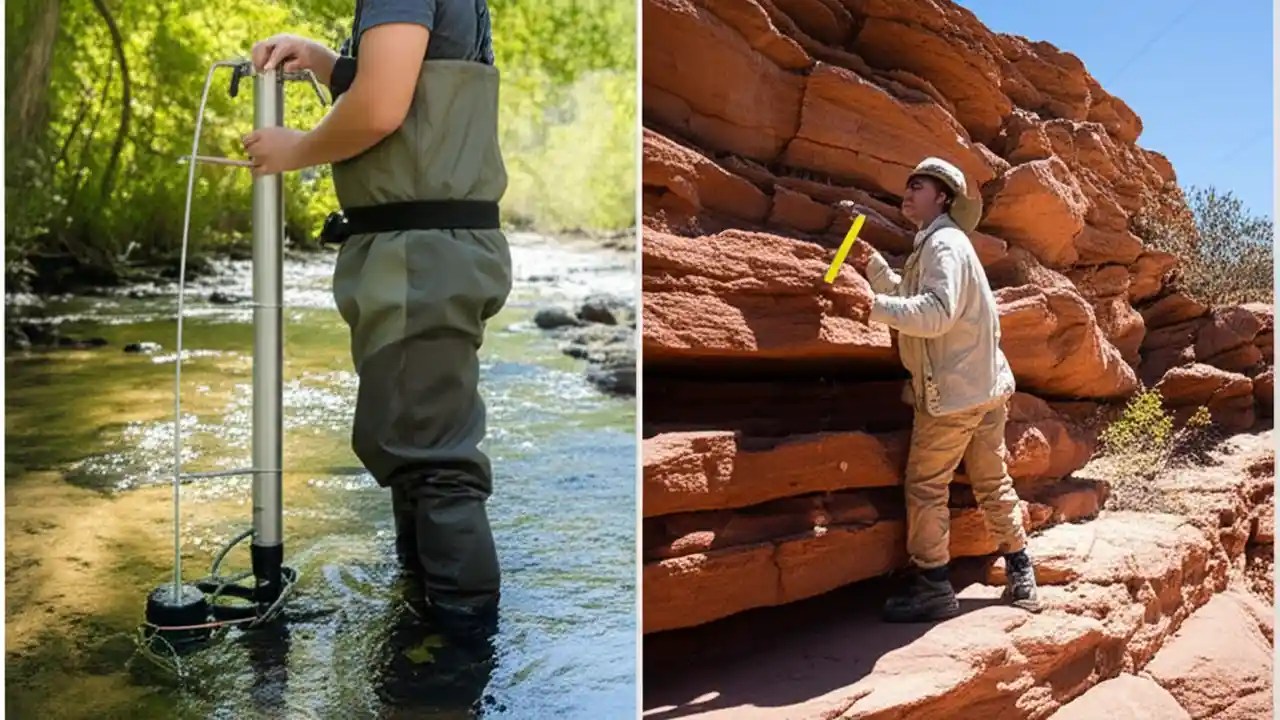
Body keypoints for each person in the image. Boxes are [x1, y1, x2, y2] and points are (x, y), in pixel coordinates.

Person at [242, 0, 511, 633]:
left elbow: (384, 107)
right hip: (425, 248)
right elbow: (417, 86)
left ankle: (457, 658)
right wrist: (328, 63)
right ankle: (425, 622)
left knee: (434, 462)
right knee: (416, 453)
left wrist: (296, 149)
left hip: (420, 253)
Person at [856, 156, 1040, 623]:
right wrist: (875, 268)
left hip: (954, 396)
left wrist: (870, 307)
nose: (908, 189)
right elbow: (911, 293)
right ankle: (1021, 572)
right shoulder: (940, 245)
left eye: (917, 184)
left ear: (941, 197)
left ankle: (933, 587)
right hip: (986, 388)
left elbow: (935, 314)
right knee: (992, 480)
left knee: (925, 486)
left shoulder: (944, 245)